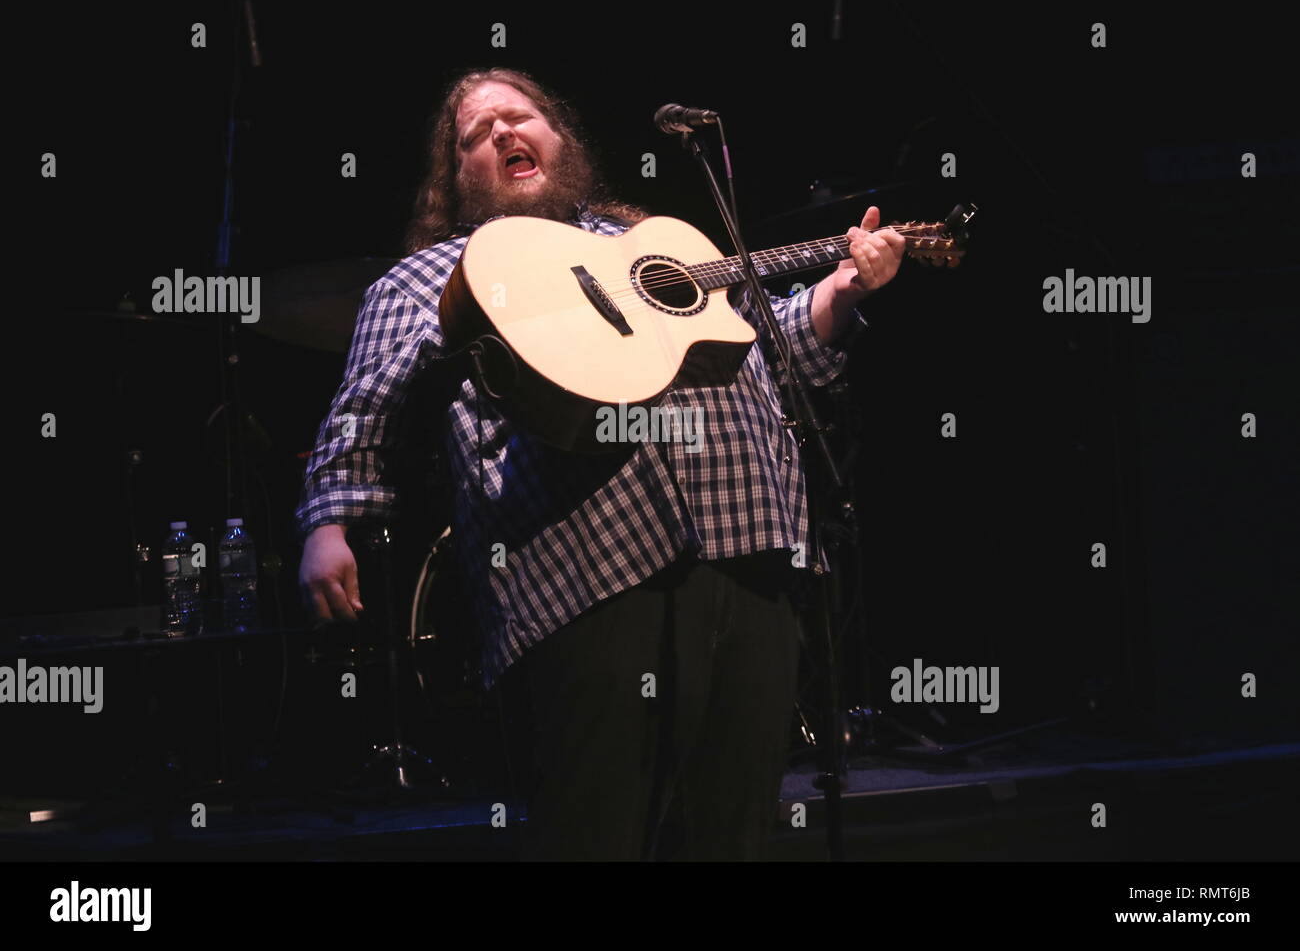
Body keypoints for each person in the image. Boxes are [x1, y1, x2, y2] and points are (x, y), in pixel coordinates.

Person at [296, 67, 906, 860]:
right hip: (581, 568)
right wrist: (330, 521)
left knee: (735, 832)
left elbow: (772, 344)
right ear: (458, 178)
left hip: (747, 542)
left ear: (562, 140)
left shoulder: (655, 243)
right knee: (597, 831)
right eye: (477, 136)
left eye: (521, 118)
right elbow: (363, 410)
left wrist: (845, 290)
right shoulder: (428, 279)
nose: (504, 135)